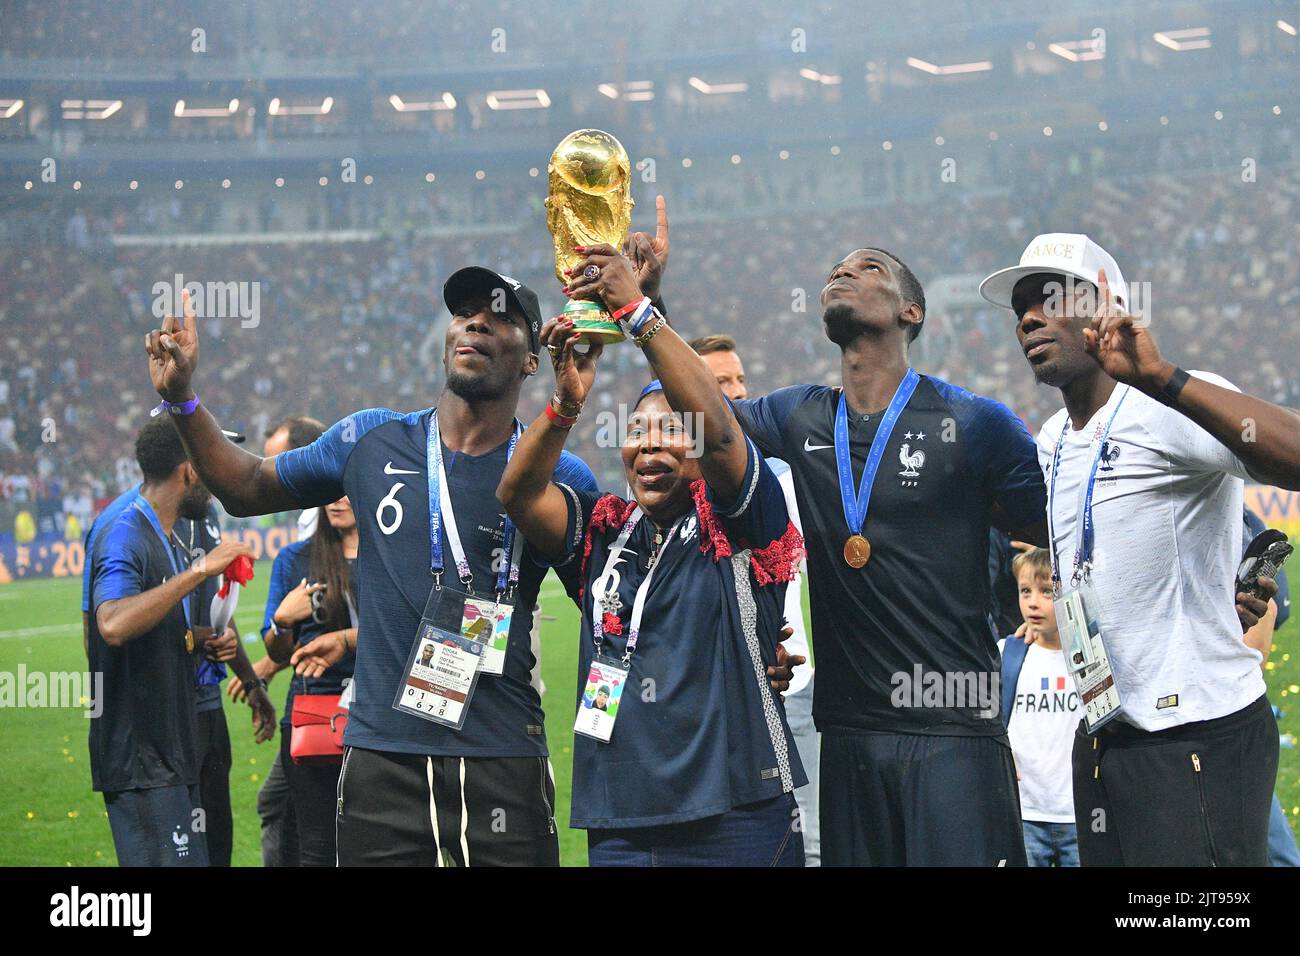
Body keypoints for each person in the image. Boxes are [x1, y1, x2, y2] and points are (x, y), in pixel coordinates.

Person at [145, 270, 603, 866]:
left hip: (503, 760)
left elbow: (609, 611)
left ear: (531, 360)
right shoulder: (371, 439)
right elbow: (247, 485)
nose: (475, 322)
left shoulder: (558, 477)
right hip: (381, 766)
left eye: (500, 317)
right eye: (464, 312)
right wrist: (183, 400)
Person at [981, 231, 1300, 865]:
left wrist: (1163, 376)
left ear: (1106, 306)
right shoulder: (1052, 439)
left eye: (1049, 298)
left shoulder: (1166, 400)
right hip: (1104, 732)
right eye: (1021, 307)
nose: (1028, 318)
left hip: (1195, 734)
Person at [725, 246, 1048, 866]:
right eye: (835, 267)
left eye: (869, 267)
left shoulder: (973, 422)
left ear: (911, 310)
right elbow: (712, 424)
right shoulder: (800, 416)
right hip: (848, 734)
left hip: (953, 728)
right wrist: (643, 312)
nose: (841, 270)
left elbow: (1062, 532)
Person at [497, 248, 807, 867]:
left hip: (735, 809)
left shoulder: (743, 516)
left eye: (671, 431)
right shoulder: (604, 530)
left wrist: (639, 312)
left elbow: (722, 433)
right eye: (638, 431)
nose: (648, 446)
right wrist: (564, 404)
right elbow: (518, 493)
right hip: (620, 816)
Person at [87, 418, 256, 866]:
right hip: (142, 756)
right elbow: (111, 624)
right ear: (189, 470)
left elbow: (158, 633)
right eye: (208, 461)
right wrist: (200, 572)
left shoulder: (163, 531)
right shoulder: (125, 530)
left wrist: (197, 639)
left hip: (170, 746)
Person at [690, 332, 821, 866]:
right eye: (721, 383)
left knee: (811, 840)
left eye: (741, 379)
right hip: (705, 704)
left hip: (790, 688)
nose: (740, 392)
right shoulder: (658, 493)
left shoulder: (780, 480)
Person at [226, 414, 326, 868]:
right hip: (322, 690)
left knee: (289, 806)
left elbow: (322, 605)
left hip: (331, 693)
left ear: (302, 459)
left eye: (274, 462)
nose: (265, 475)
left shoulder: (318, 521)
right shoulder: (313, 518)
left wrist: (271, 660)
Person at [261, 495, 358, 866]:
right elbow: (278, 654)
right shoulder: (296, 559)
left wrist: (348, 640)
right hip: (314, 719)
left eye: (344, 489)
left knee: (377, 842)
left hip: (380, 716)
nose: (335, 501)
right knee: (316, 845)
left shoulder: (390, 553)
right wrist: (282, 622)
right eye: (326, 493)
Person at [999, 547, 1079, 867]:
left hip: (1078, 814)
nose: (1033, 602)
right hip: (1024, 814)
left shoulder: (1092, 655)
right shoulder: (1007, 653)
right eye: (1025, 591)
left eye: (1047, 591)